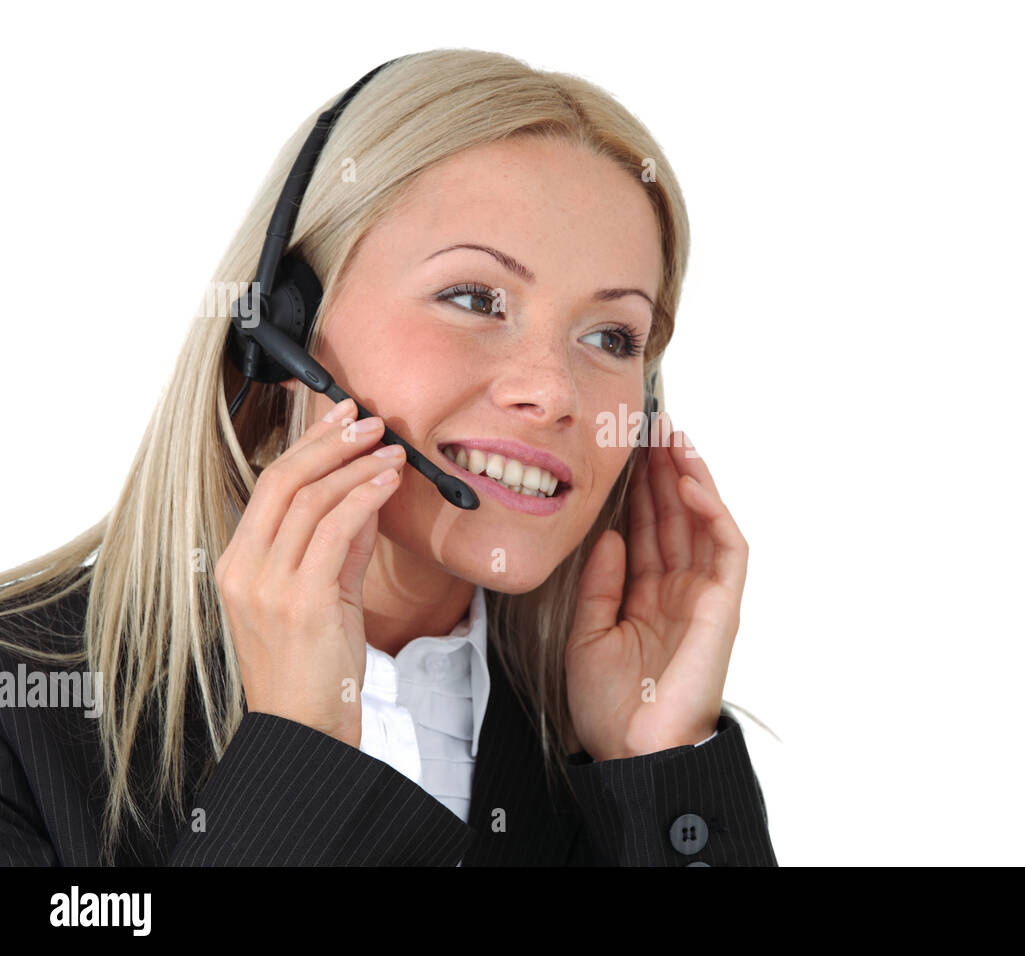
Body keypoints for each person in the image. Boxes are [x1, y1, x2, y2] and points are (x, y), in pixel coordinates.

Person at [0, 48, 776, 866]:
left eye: (611, 337)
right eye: (475, 299)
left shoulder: (592, 755)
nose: (554, 393)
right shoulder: (24, 720)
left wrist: (658, 772)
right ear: (288, 325)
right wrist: (295, 760)